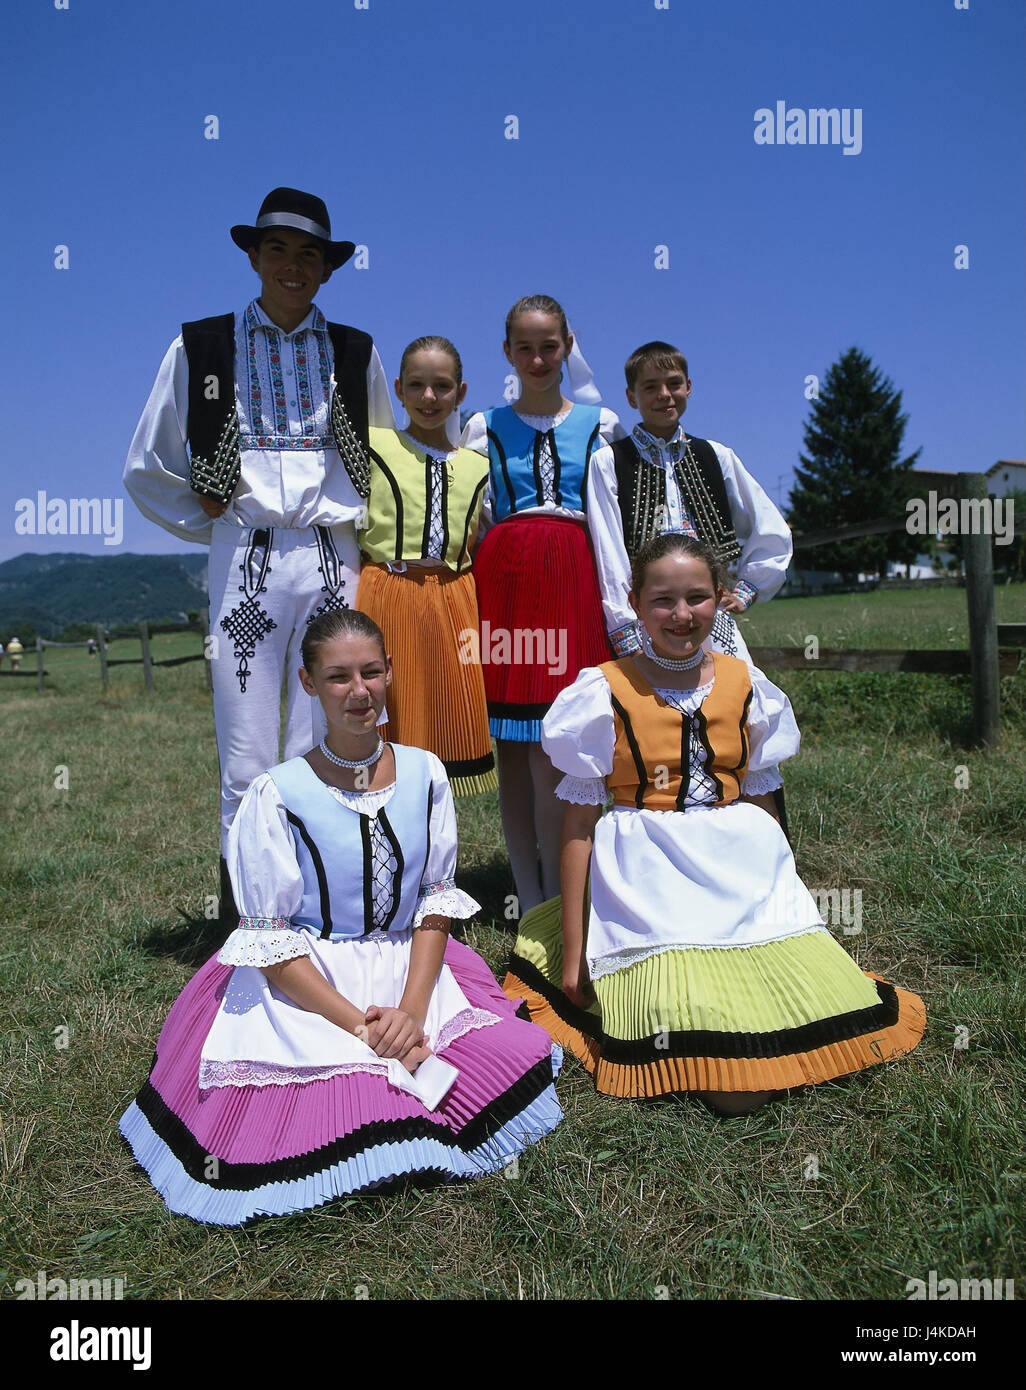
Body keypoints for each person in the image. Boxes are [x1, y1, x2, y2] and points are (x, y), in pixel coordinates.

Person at [119, 609, 563, 1225]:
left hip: (411, 966)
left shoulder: (425, 772)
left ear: (389, 673)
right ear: (307, 683)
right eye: (338, 677)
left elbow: (435, 903)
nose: (359, 692)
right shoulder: (277, 793)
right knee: (361, 1109)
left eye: (371, 672)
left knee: (489, 1062)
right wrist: (364, 1028)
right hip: (307, 979)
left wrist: (409, 1013)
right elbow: (270, 943)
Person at [504, 534, 925, 1114]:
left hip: (739, 868)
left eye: (697, 597)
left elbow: (761, 799)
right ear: (634, 602)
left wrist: (786, 899)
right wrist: (574, 948)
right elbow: (577, 828)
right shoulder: (603, 691)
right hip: (647, 880)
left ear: (721, 598)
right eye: (663, 600)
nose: (681, 615)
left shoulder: (744, 683)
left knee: (816, 1024)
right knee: (733, 1093)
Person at [123, 187, 395, 921]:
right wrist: (210, 518)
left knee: (337, 734)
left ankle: (332, 908)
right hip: (245, 555)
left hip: (334, 554)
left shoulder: (355, 351)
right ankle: (250, 924)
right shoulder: (201, 345)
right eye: (278, 249)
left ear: (329, 268)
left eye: (310, 254)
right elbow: (147, 465)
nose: (293, 266)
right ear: (252, 255)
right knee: (247, 751)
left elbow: (383, 457)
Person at [461, 295, 623, 912]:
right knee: (514, 743)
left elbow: (610, 515)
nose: (536, 358)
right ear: (507, 352)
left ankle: (567, 891)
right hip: (503, 587)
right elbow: (472, 514)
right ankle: (529, 897)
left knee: (565, 738)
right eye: (524, 347)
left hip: (576, 580)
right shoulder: (482, 427)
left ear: (567, 346)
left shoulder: (599, 424)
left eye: (548, 346)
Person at [587, 341, 792, 665]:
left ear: (688, 387)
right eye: (650, 386)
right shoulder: (609, 461)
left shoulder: (716, 456)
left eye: (673, 383)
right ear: (631, 396)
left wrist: (747, 589)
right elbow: (608, 552)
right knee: (653, 710)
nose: (664, 394)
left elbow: (770, 526)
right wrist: (626, 631)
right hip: (646, 623)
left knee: (732, 702)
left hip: (709, 617)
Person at [356, 337, 496, 796]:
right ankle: (382, 832)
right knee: (391, 705)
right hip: (387, 589)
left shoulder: (477, 467)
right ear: (397, 389)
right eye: (416, 386)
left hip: (454, 596)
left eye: (442, 386)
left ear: (461, 391)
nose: (429, 398)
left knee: (447, 708)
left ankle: (437, 844)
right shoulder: (375, 446)